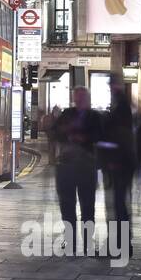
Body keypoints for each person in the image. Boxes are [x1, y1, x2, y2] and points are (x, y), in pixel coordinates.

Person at [51, 86, 103, 254]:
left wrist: (84, 137)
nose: (79, 100)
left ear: (88, 99)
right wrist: (63, 131)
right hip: (66, 166)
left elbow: (100, 136)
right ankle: (70, 240)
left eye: (82, 97)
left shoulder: (95, 116)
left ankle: (88, 241)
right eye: (77, 97)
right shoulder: (67, 114)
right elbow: (55, 134)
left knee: (88, 206)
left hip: (86, 166)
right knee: (67, 206)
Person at [97, 75, 136, 255]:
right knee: (118, 204)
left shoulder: (121, 105)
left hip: (118, 163)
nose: (110, 88)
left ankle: (118, 245)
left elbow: (118, 135)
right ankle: (122, 243)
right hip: (121, 162)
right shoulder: (122, 103)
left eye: (111, 85)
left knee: (116, 205)